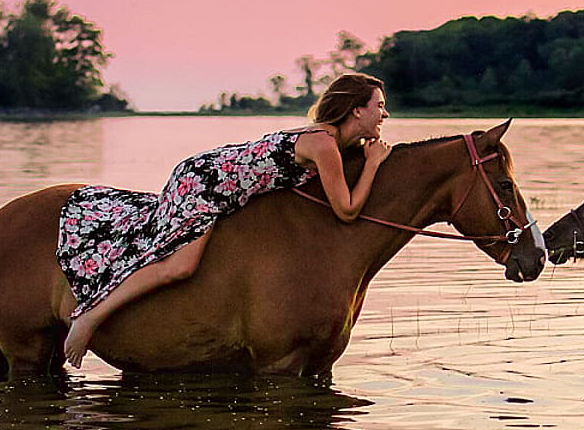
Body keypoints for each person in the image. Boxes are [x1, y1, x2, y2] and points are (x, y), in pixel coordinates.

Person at [60, 73, 392, 367]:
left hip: (218, 186)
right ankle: (89, 319)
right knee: (178, 266)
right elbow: (346, 210)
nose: (385, 113)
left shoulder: (332, 141)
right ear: (357, 110)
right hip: (205, 185)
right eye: (379, 105)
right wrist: (375, 163)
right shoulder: (323, 144)